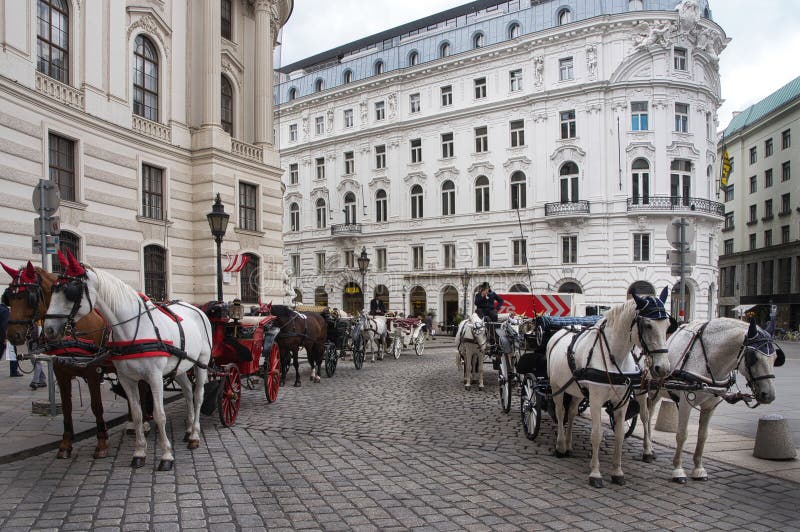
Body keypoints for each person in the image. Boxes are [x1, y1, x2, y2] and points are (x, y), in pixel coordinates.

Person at [1, 303, 22, 377]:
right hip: (4, 337)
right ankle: (14, 371)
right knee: (12, 353)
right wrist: (6, 338)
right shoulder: (5, 310)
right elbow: (5, 325)